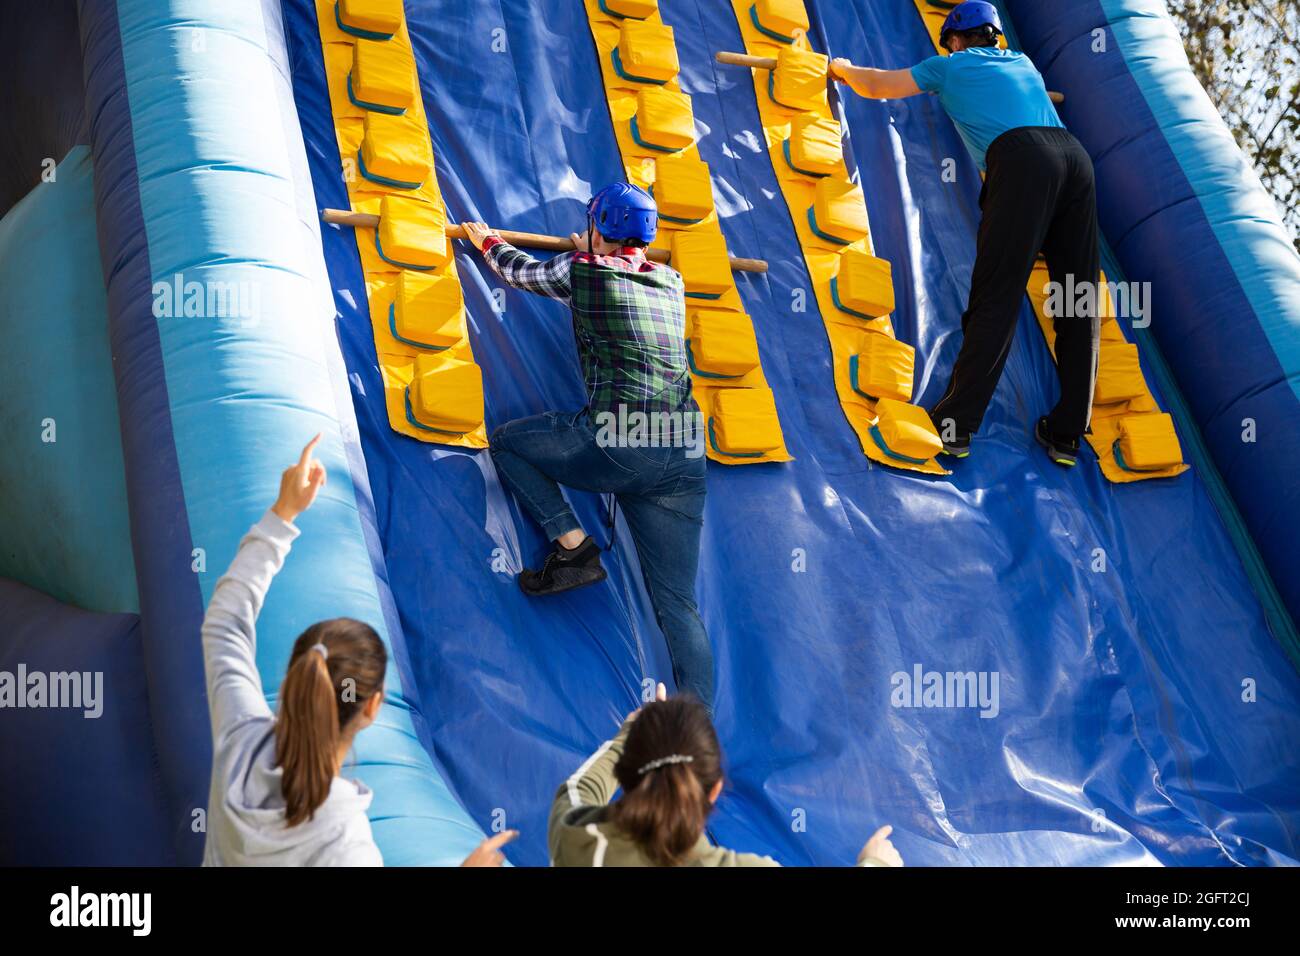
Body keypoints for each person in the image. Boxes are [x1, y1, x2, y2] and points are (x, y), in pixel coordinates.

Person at [201, 435, 516, 866]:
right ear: (373, 708)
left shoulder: (241, 741)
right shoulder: (343, 844)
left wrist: (282, 515)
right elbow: (224, 625)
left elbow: (224, 622)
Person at [461, 183, 715, 708]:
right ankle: (697, 737)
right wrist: (589, 250)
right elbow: (616, 274)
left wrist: (487, 242)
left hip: (621, 442)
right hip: (685, 451)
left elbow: (518, 271)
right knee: (678, 605)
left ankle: (574, 548)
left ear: (598, 229)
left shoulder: (580, 271)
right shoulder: (672, 281)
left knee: (508, 443)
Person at [830, 0, 1100, 467]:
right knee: (1079, 298)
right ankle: (1068, 432)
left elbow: (878, 86)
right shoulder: (1023, 61)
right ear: (995, 34)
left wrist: (843, 68)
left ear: (955, 39)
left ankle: (956, 425)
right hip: (1075, 161)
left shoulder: (948, 67)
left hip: (1020, 162)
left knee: (997, 296)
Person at [549, 684, 904, 867]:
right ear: (715, 789)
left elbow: (578, 790)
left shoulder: (576, 836)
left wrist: (629, 734)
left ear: (626, 773)